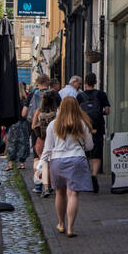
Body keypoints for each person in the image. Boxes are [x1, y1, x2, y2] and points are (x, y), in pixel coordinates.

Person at [40, 97, 93, 237]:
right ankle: (70, 228)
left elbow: (48, 148)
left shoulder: (53, 124)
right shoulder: (82, 124)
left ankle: (61, 223)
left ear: (60, 107)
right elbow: (89, 146)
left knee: (59, 193)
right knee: (73, 194)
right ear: (77, 107)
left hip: (57, 160)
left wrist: (41, 165)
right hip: (76, 159)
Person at [78, 72, 111, 192]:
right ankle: (94, 175)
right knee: (97, 154)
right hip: (98, 127)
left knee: (85, 153)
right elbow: (107, 111)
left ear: (85, 83)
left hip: (84, 127)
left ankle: (87, 177)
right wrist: (100, 112)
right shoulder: (101, 94)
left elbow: (77, 113)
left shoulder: (80, 96)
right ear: (96, 82)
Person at [31, 90, 61, 196]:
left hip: (41, 140)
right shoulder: (57, 112)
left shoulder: (38, 111)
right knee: (50, 165)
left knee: (41, 162)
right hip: (54, 141)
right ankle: (50, 186)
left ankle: (43, 187)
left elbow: (33, 126)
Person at [6, 83, 33, 170]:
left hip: (14, 123)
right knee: (23, 143)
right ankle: (22, 163)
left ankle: (10, 164)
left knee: (12, 143)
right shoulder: (25, 100)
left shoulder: (12, 100)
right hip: (24, 123)